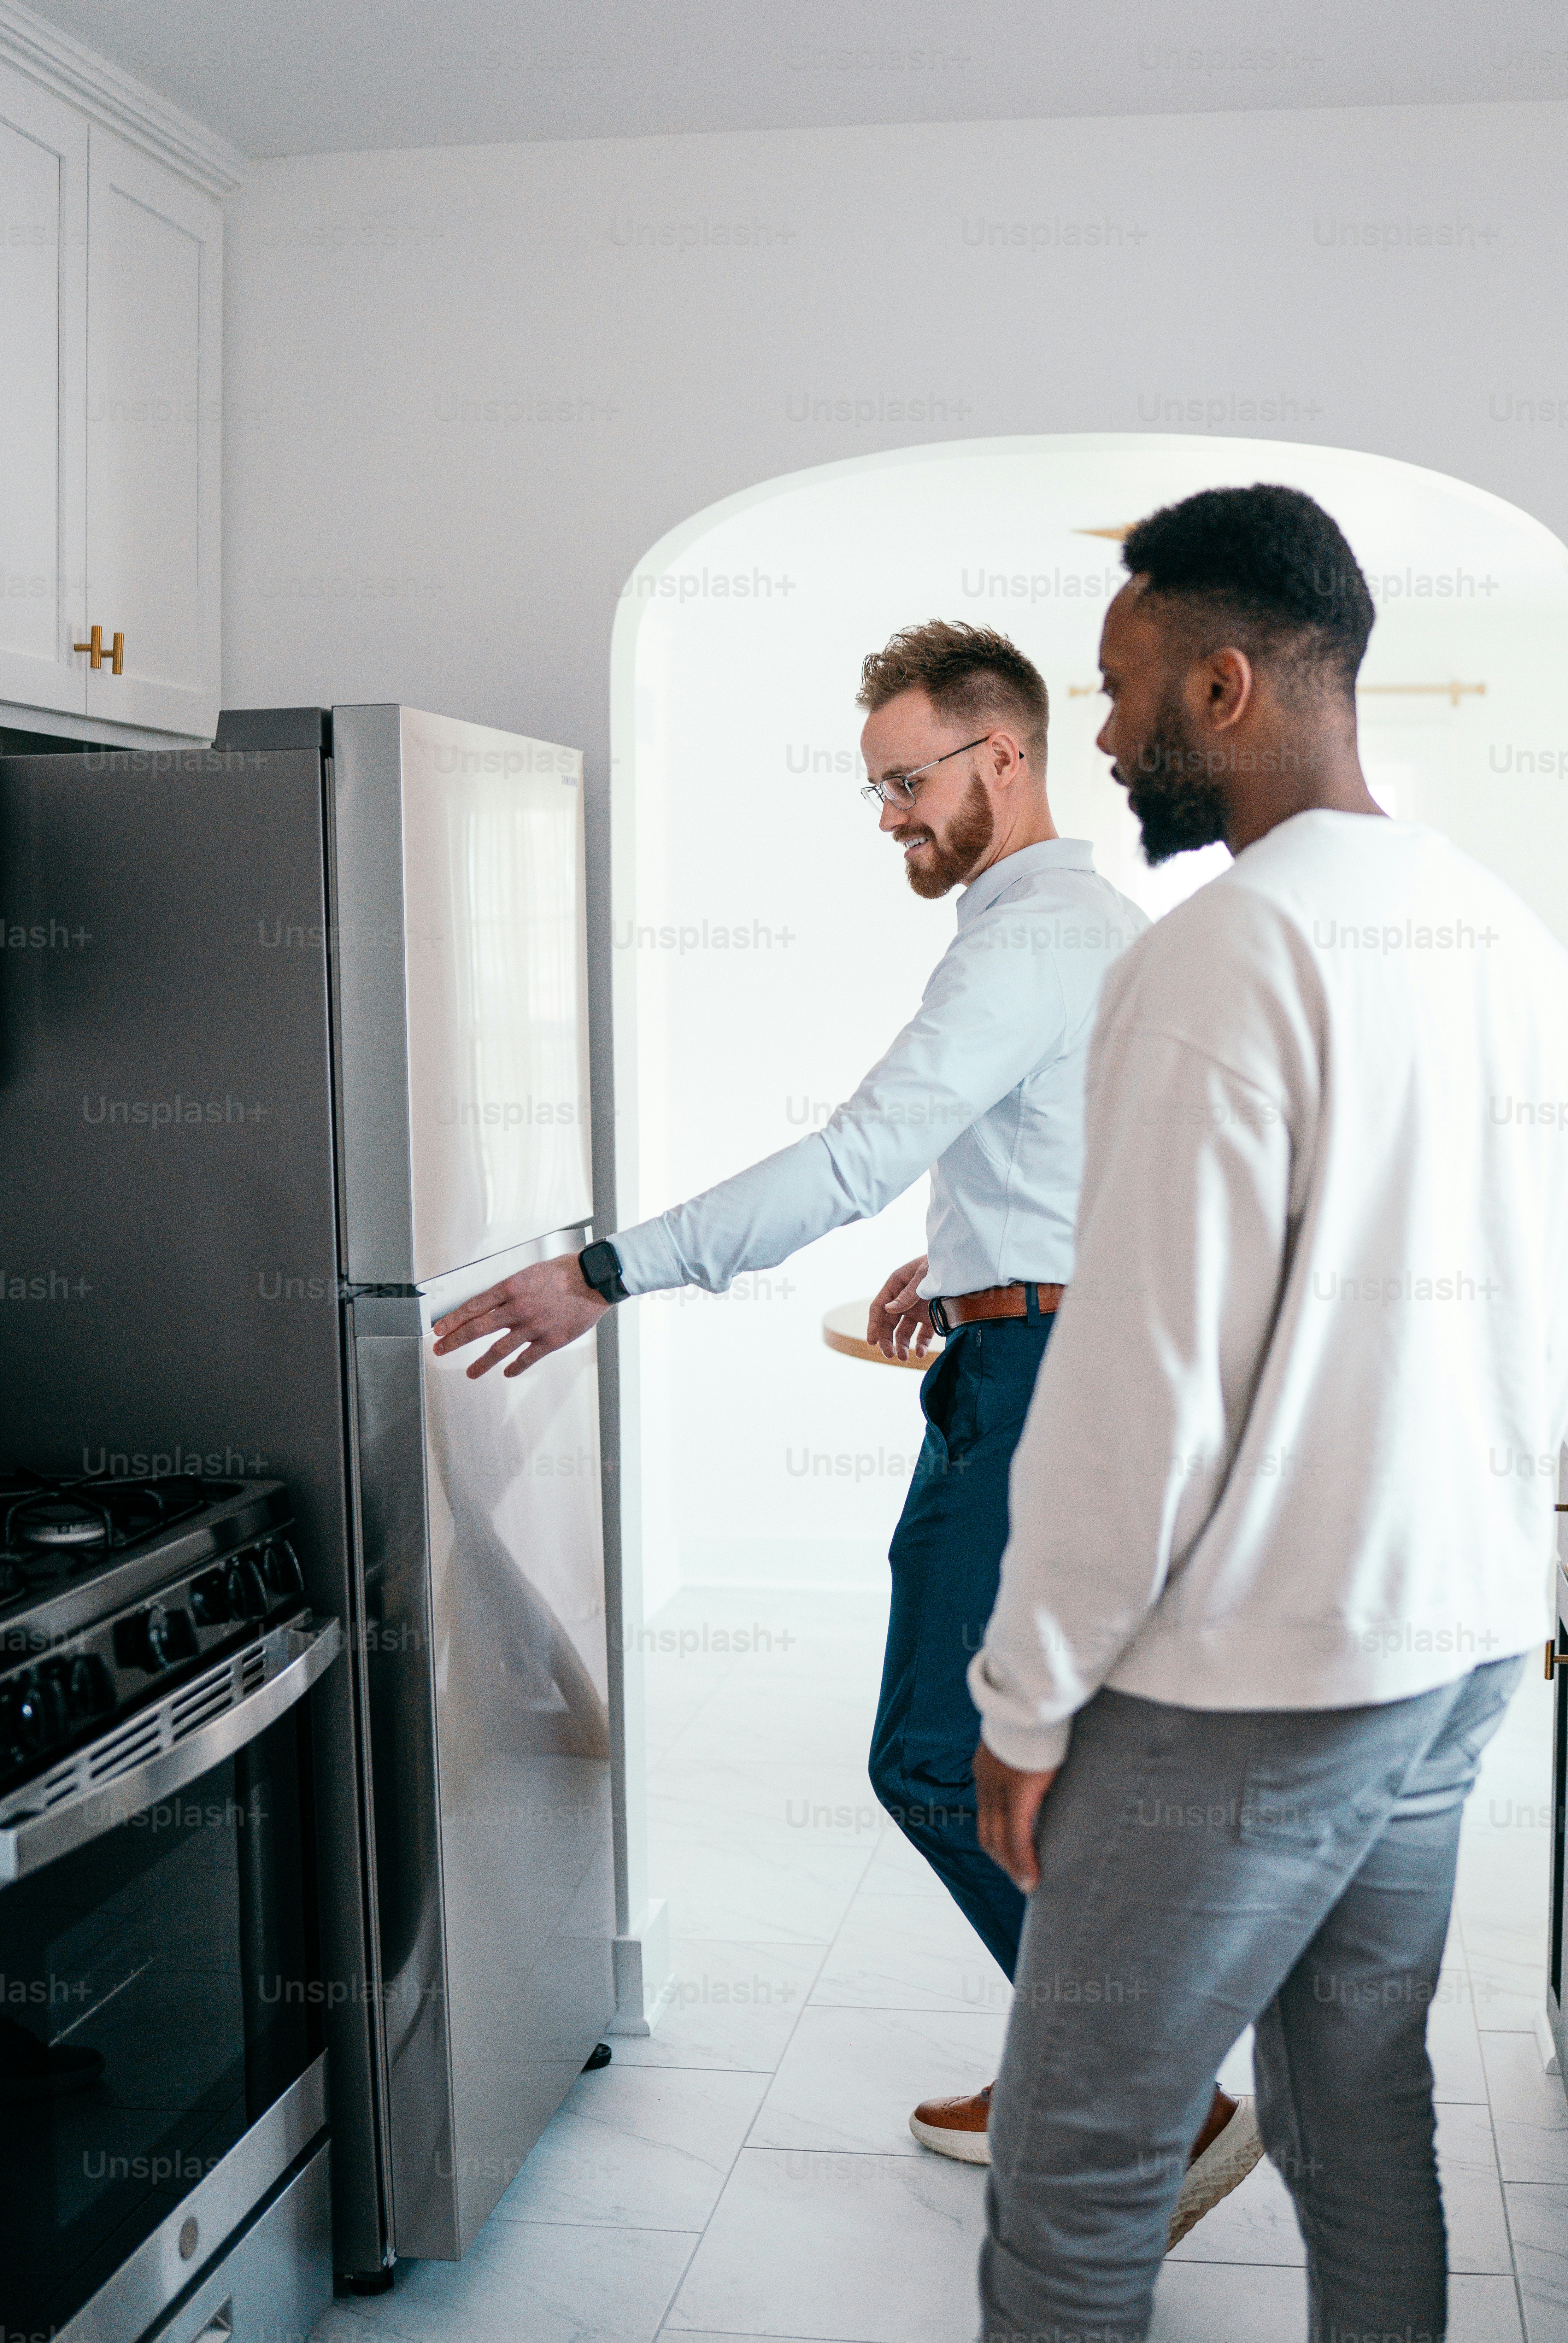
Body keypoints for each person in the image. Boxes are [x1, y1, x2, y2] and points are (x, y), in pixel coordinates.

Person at [431, 622, 1256, 2234]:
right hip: (1047, 1359)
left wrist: (604, 1271)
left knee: (933, 1755)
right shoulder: (1078, 924)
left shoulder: (1026, 942)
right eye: (878, 787)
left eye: (906, 780)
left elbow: (854, 1151)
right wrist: (963, 1264)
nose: (889, 815)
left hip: (1044, 1400)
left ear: (1001, 758)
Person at [965, 485, 1568, 2343]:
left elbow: (1136, 1393)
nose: (1093, 733)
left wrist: (1023, 1696)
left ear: (1225, 683)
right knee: (1355, 2115)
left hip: (1245, 1689)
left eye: (1119, 686)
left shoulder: (1218, 958)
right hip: (1453, 1640)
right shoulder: (1515, 947)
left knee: (1075, 2166)